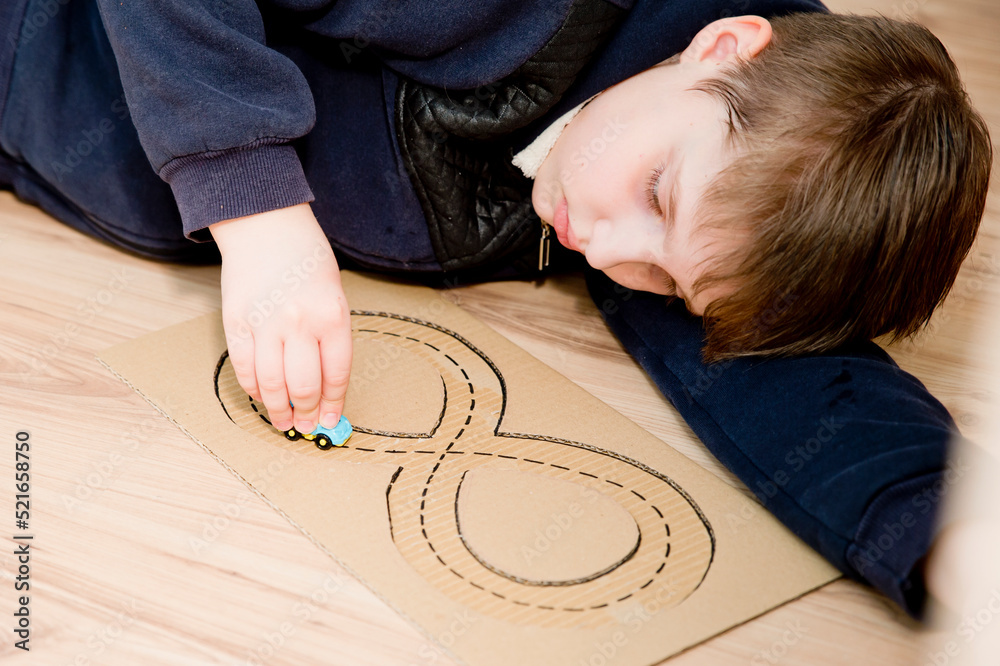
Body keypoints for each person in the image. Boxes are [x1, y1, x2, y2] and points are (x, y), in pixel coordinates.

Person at [0, 0, 991, 620]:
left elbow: (799, 386)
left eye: (670, 282)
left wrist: (942, 536)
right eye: (654, 197)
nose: (606, 251)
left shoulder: (712, 201)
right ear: (720, 48)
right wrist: (255, 207)